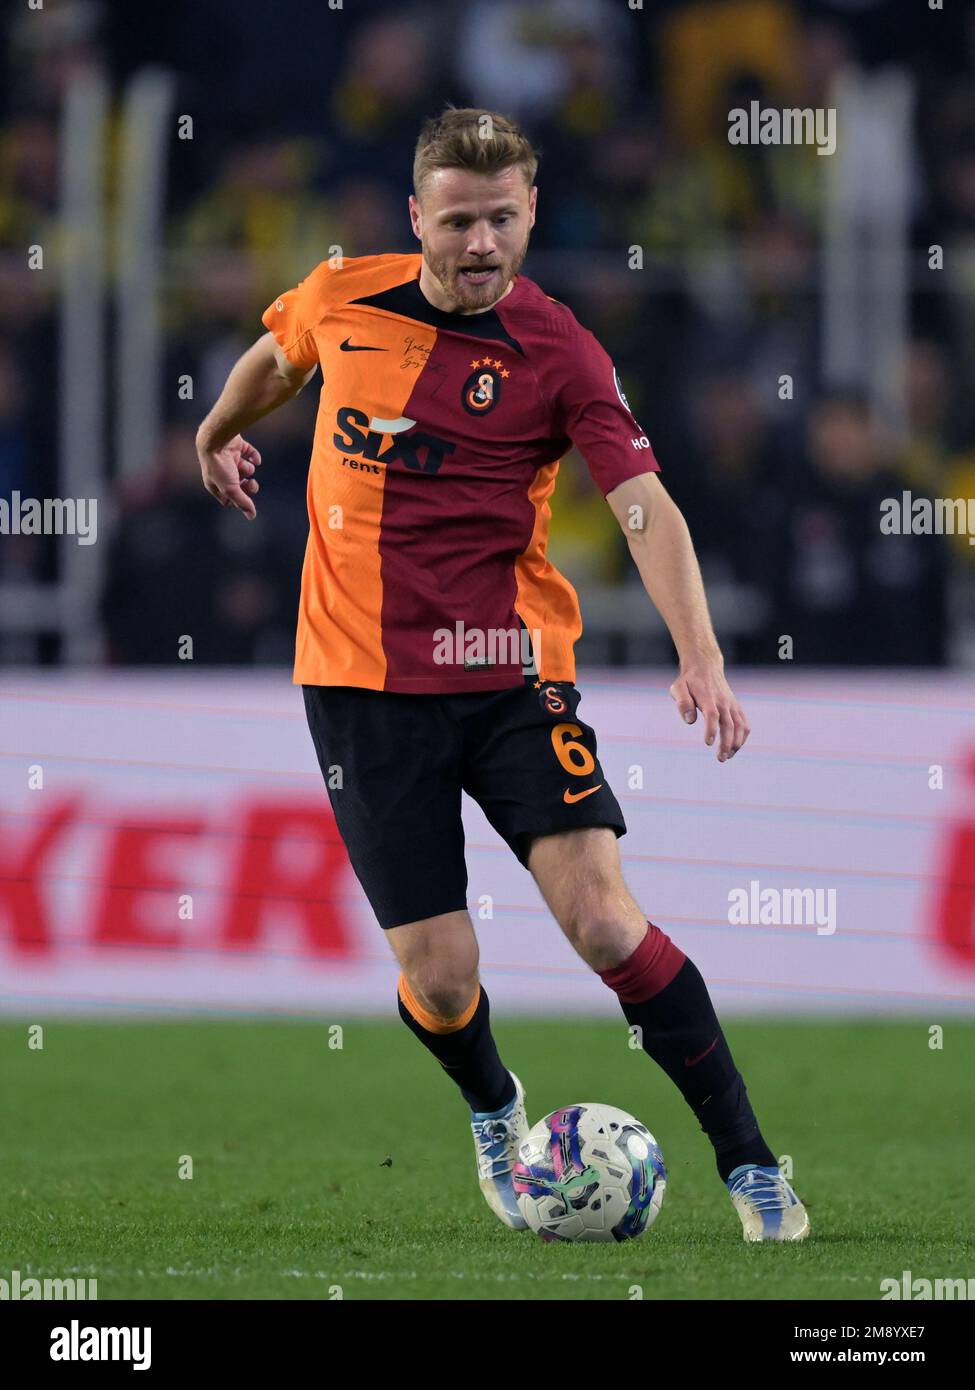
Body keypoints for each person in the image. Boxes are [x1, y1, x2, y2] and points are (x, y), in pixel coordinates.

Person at [195, 107, 808, 1241]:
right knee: (438, 974)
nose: (482, 245)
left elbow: (642, 505)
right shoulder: (345, 293)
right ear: (417, 216)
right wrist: (216, 430)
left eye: (505, 220)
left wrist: (702, 652)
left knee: (606, 924)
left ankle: (753, 1164)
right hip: (361, 684)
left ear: (531, 214)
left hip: (511, 676)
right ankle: (492, 1104)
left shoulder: (562, 350)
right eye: (460, 221)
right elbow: (280, 356)